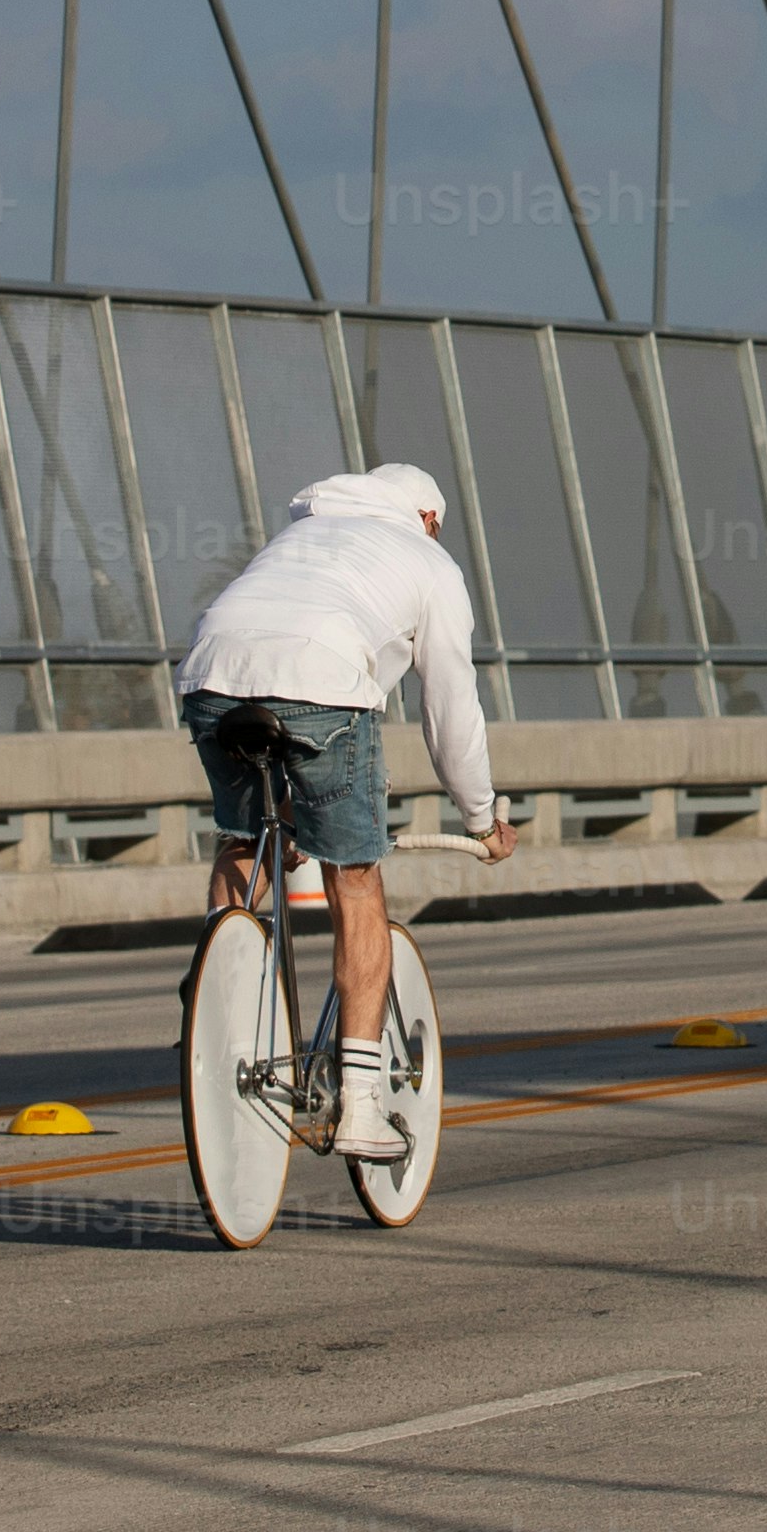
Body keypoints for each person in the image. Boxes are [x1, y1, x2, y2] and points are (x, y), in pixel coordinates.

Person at [172, 463, 520, 1141]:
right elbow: (450, 710)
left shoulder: (300, 535)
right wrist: (482, 820)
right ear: (429, 519)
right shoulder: (429, 562)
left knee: (247, 841)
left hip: (211, 674)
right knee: (354, 879)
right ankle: (360, 1104)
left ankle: (214, 996)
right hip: (322, 687)